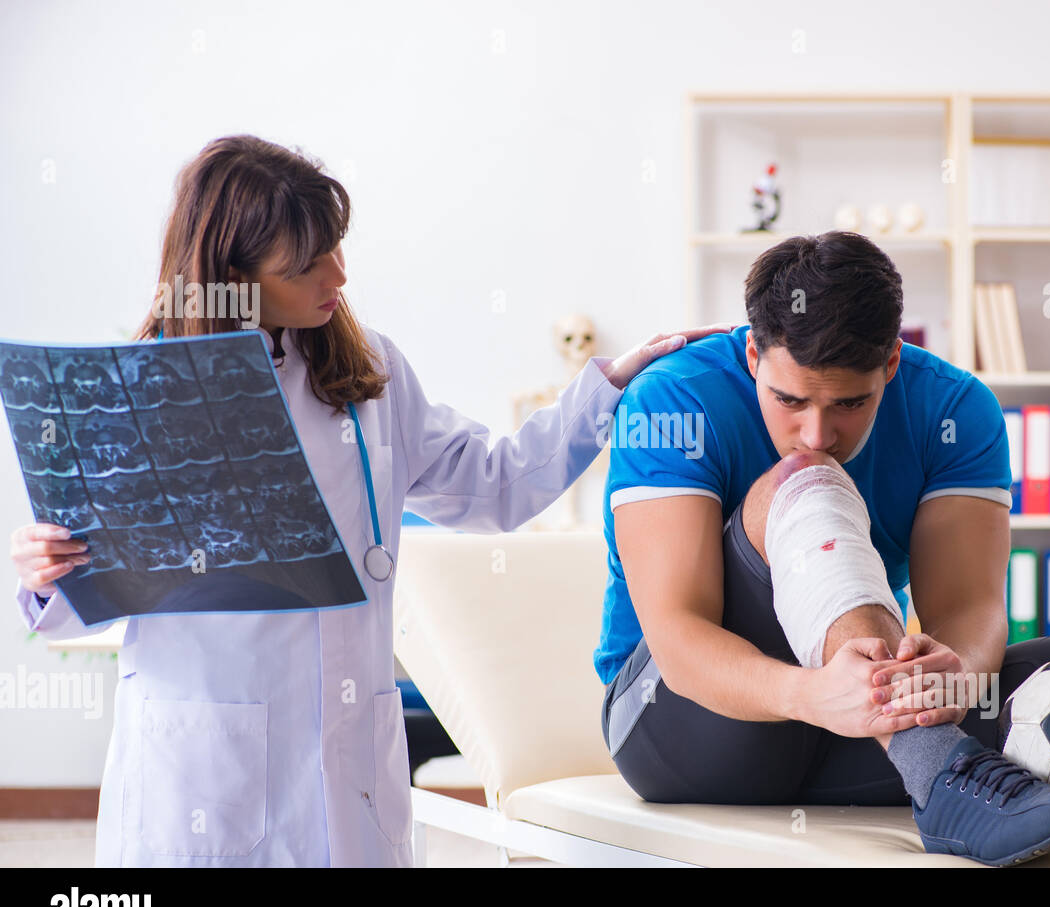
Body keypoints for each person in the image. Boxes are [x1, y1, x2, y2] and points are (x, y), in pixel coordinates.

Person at [9, 133, 731, 867]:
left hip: (347, 760)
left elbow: (498, 484)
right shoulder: (133, 400)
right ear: (236, 275)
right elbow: (80, 600)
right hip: (203, 767)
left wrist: (608, 387)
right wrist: (47, 568)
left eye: (336, 246)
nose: (340, 274)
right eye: (307, 262)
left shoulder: (369, 376)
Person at [597, 230, 1050, 868]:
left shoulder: (955, 409)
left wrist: (958, 672)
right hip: (689, 725)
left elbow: (969, 607)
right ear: (753, 354)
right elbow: (680, 639)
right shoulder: (673, 400)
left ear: (892, 362)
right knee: (804, 479)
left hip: (856, 726)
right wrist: (809, 693)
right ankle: (935, 766)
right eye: (789, 400)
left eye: (848, 404)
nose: (815, 430)